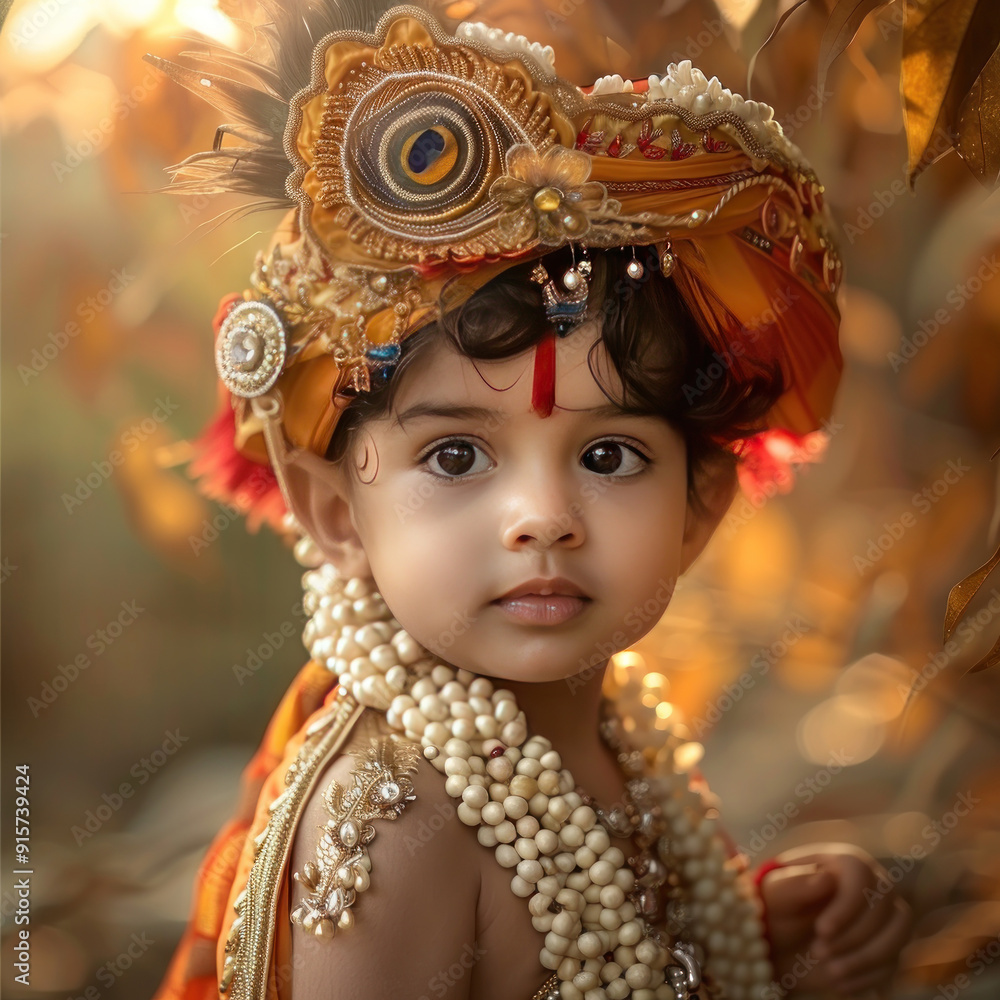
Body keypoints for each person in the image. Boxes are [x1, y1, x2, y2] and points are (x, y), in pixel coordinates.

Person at [146, 4, 911, 999]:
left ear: (701, 506)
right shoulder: (399, 819)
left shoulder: (607, 735)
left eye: (608, 453)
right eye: (458, 454)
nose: (541, 516)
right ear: (334, 513)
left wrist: (755, 956)